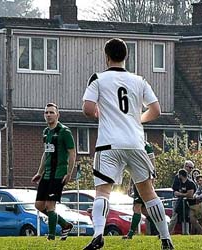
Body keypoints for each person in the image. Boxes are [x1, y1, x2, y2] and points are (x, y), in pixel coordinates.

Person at [81, 38, 172, 250]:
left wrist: (99, 114)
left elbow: (87, 108)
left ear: (106, 57)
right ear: (126, 56)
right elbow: (156, 110)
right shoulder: (139, 80)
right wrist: (135, 119)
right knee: (149, 193)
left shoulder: (98, 79)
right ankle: (166, 239)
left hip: (109, 144)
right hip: (135, 143)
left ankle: (98, 234)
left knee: (102, 192)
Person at [31, 103, 77, 241]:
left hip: (59, 173)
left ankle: (51, 237)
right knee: (39, 205)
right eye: (46, 113)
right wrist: (39, 172)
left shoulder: (64, 132)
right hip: (47, 173)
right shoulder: (46, 132)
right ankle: (65, 225)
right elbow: (46, 153)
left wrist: (69, 173)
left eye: (51, 112)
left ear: (58, 115)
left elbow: (72, 153)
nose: (49, 115)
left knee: (51, 204)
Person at [124, 143, 159, 239]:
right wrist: (130, 184)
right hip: (137, 180)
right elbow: (132, 168)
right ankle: (161, 230)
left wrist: (152, 180)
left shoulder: (146, 146)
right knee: (144, 211)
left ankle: (130, 234)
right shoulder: (132, 145)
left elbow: (152, 165)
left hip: (144, 179)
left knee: (137, 207)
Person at [172, 169, 202, 235]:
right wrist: (182, 194)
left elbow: (190, 194)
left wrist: (180, 194)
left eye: (179, 174)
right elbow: (177, 192)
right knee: (192, 220)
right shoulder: (181, 183)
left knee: (200, 220)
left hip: (196, 204)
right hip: (190, 205)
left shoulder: (190, 183)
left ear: (181, 175)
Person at [169, 160, 195, 233]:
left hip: (187, 200)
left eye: (192, 168)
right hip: (178, 200)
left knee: (187, 217)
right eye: (190, 168)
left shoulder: (190, 177)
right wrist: (182, 193)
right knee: (175, 217)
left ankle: (186, 232)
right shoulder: (178, 177)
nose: (191, 170)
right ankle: (167, 233)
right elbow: (175, 189)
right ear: (185, 166)